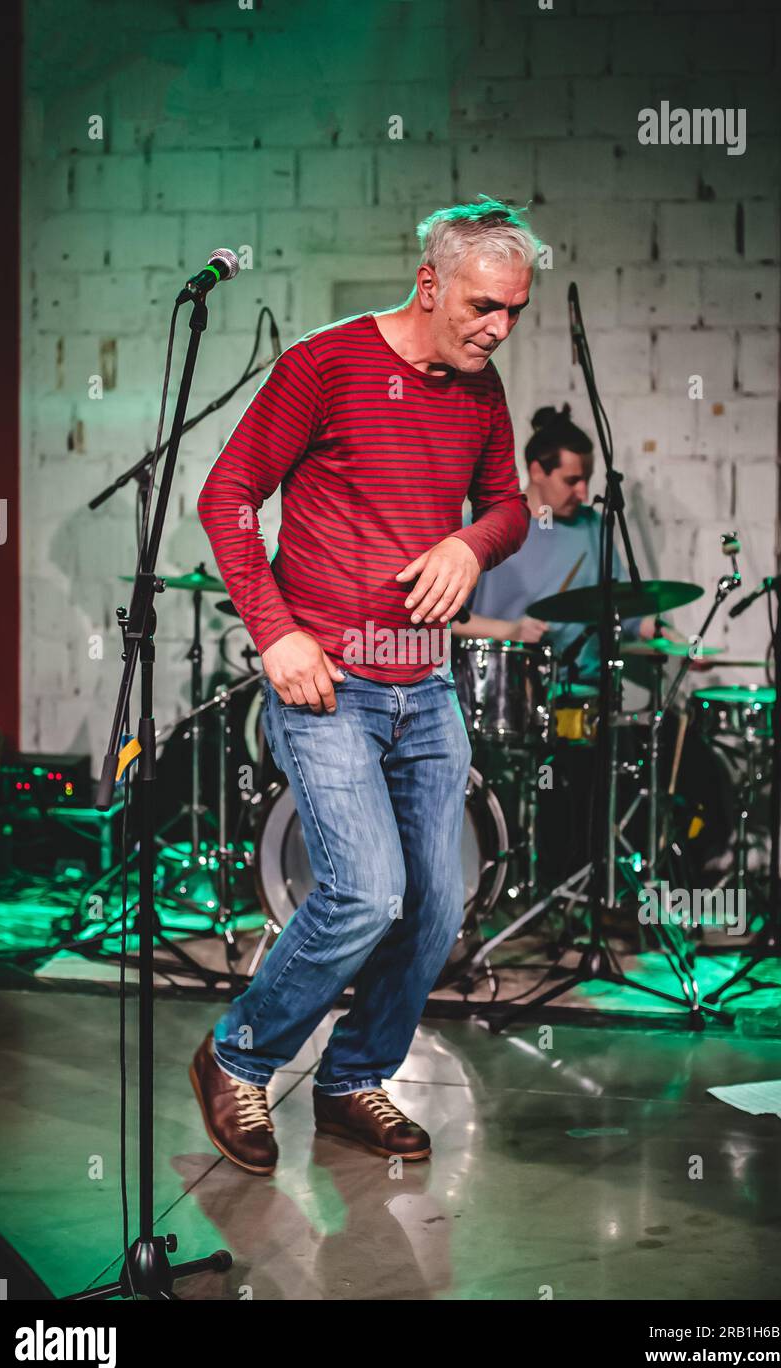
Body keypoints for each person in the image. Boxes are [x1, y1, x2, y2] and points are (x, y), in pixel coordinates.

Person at [191, 197, 538, 1174]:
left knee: (434, 905)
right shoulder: (324, 365)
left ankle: (350, 1081)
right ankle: (236, 1057)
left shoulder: (480, 389)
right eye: (482, 305)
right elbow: (225, 494)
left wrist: (473, 544)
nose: (497, 327)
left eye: (513, 310)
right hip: (326, 682)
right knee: (364, 892)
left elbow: (508, 506)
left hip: (423, 686)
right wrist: (275, 634)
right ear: (429, 284)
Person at [451, 404, 684, 683]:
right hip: (501, 694)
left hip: (582, 694)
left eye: (586, 480)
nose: (583, 493)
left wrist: (677, 641)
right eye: (572, 481)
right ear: (537, 471)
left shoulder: (592, 526)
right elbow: (444, 619)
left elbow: (626, 611)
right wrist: (509, 631)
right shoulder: (483, 526)